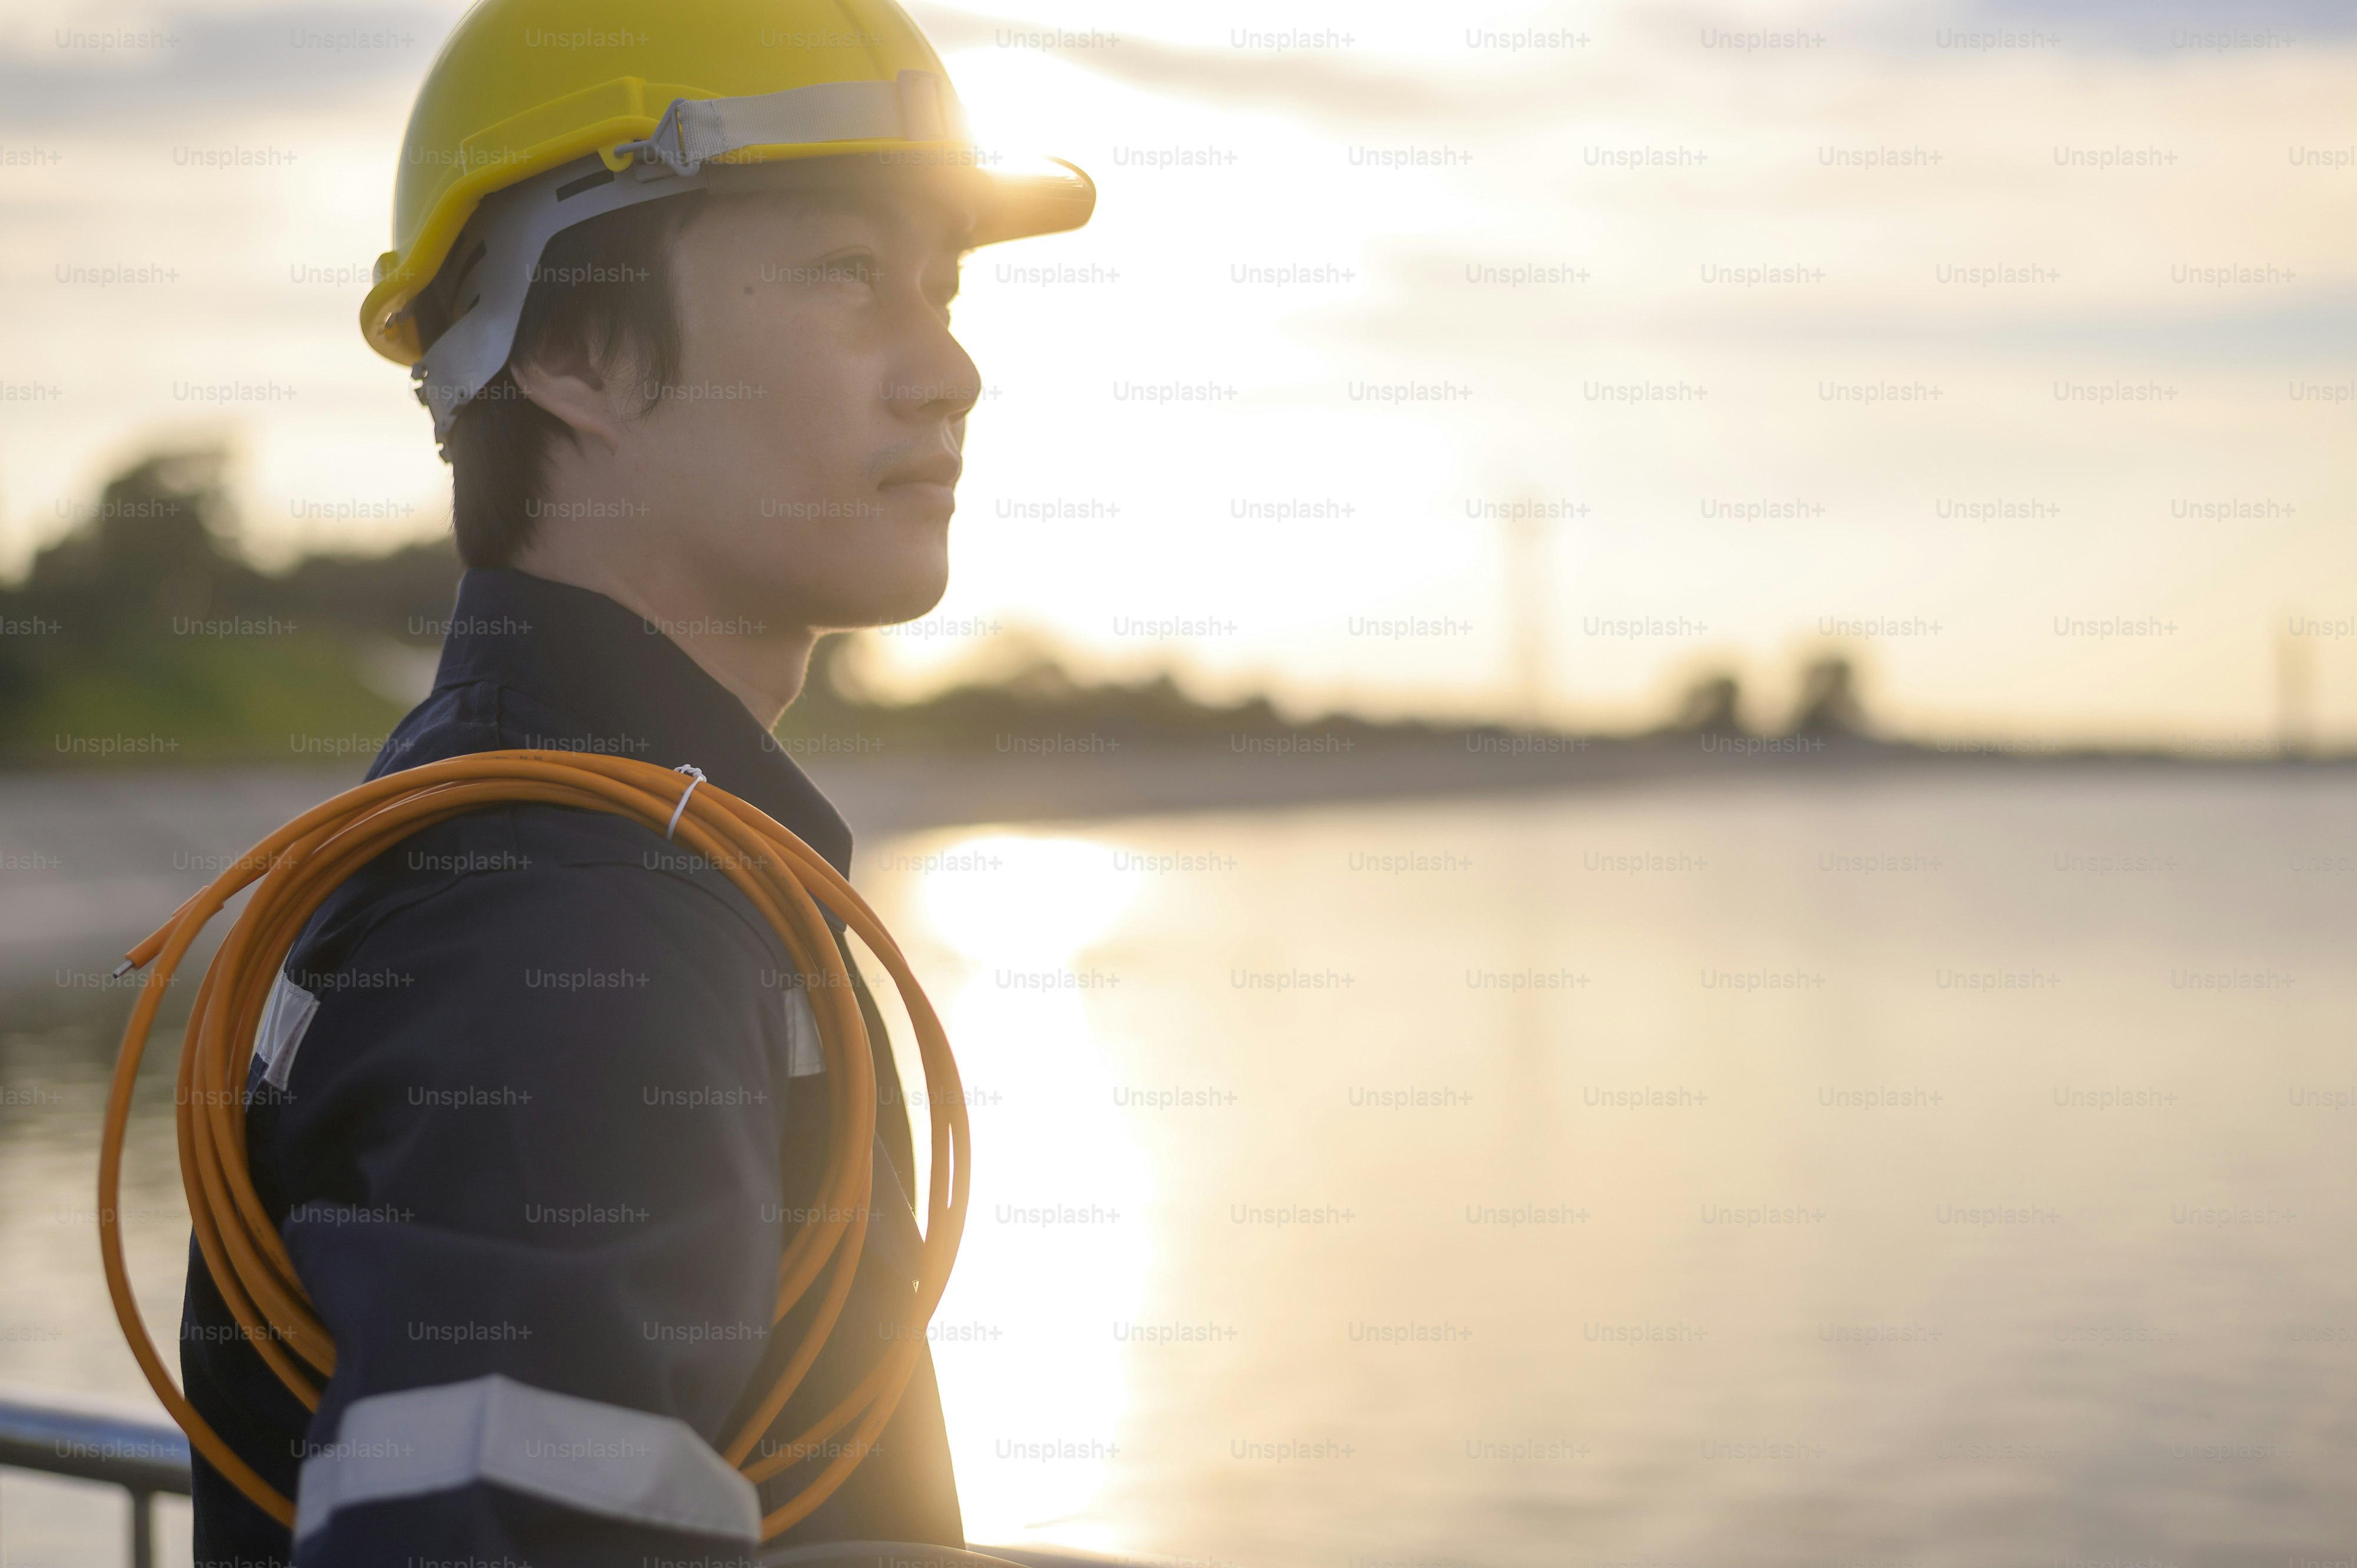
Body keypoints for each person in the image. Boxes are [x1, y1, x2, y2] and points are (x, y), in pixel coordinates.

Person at [177, 2, 1093, 1562]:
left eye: (939, 287)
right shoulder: (565, 921)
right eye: (848, 273)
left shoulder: (589, 844)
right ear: (578, 351)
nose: (950, 370)